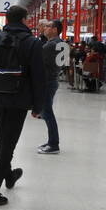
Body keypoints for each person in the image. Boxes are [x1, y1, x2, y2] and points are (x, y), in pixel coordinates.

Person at [0, 4, 45, 207]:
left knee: (3, 139)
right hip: (19, 100)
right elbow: (39, 78)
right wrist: (38, 106)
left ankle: (10, 176)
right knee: (8, 145)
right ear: (24, 20)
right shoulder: (33, 43)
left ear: (7, 20)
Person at [37, 20, 67, 154]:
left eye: (48, 26)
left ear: (55, 30)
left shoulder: (49, 45)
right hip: (53, 79)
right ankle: (51, 141)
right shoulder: (62, 44)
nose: (44, 28)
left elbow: (38, 61)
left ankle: (54, 144)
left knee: (47, 113)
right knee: (46, 112)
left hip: (46, 81)